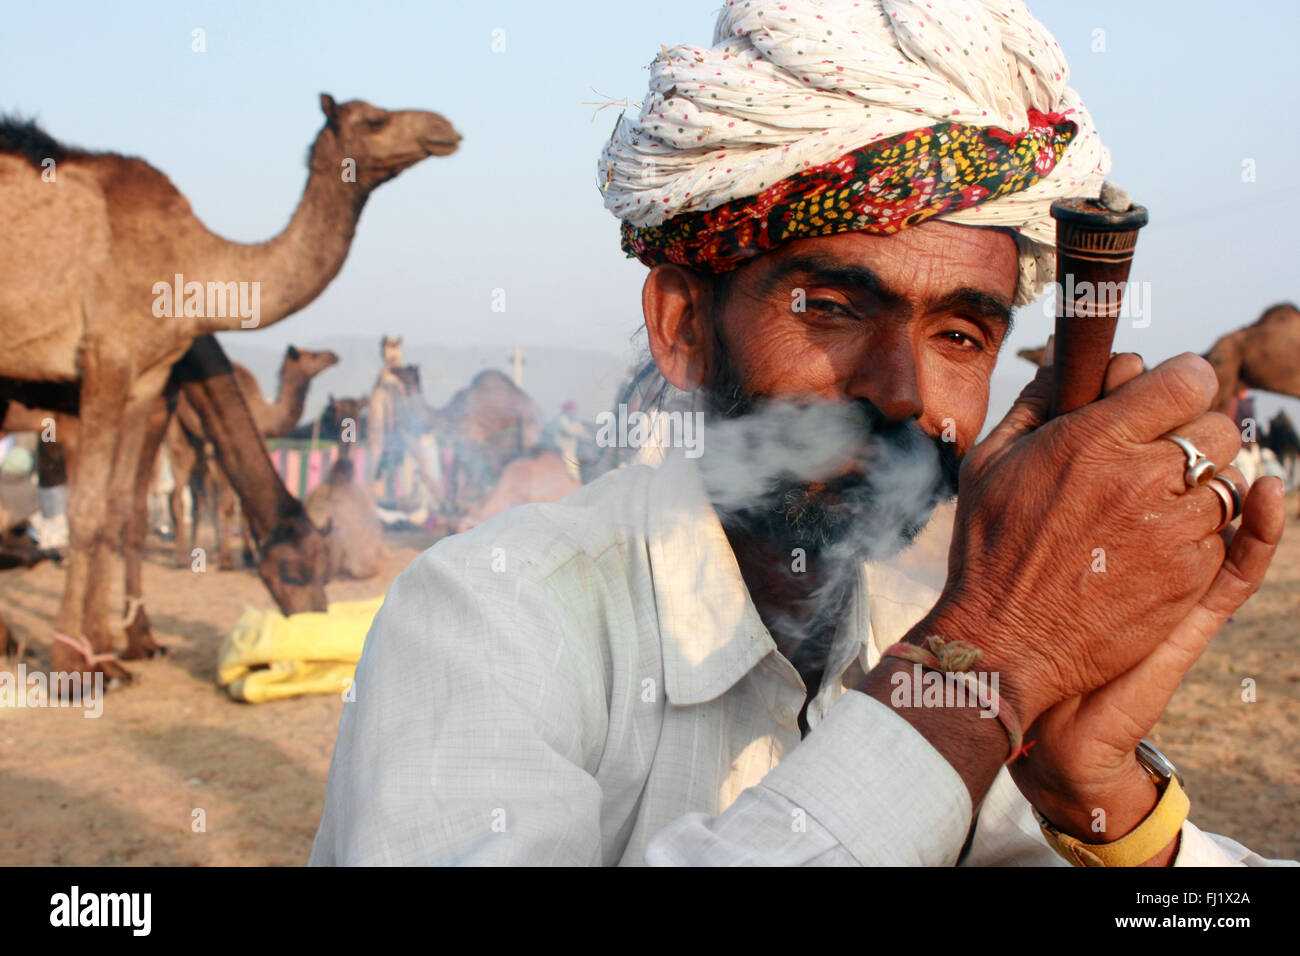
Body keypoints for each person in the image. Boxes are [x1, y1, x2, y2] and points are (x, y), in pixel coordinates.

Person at [310, 0, 1292, 866]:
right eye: (830, 308)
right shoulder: (490, 623)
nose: (905, 394)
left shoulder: (914, 638)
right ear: (685, 327)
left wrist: (1105, 800)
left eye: (961, 333)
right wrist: (992, 656)